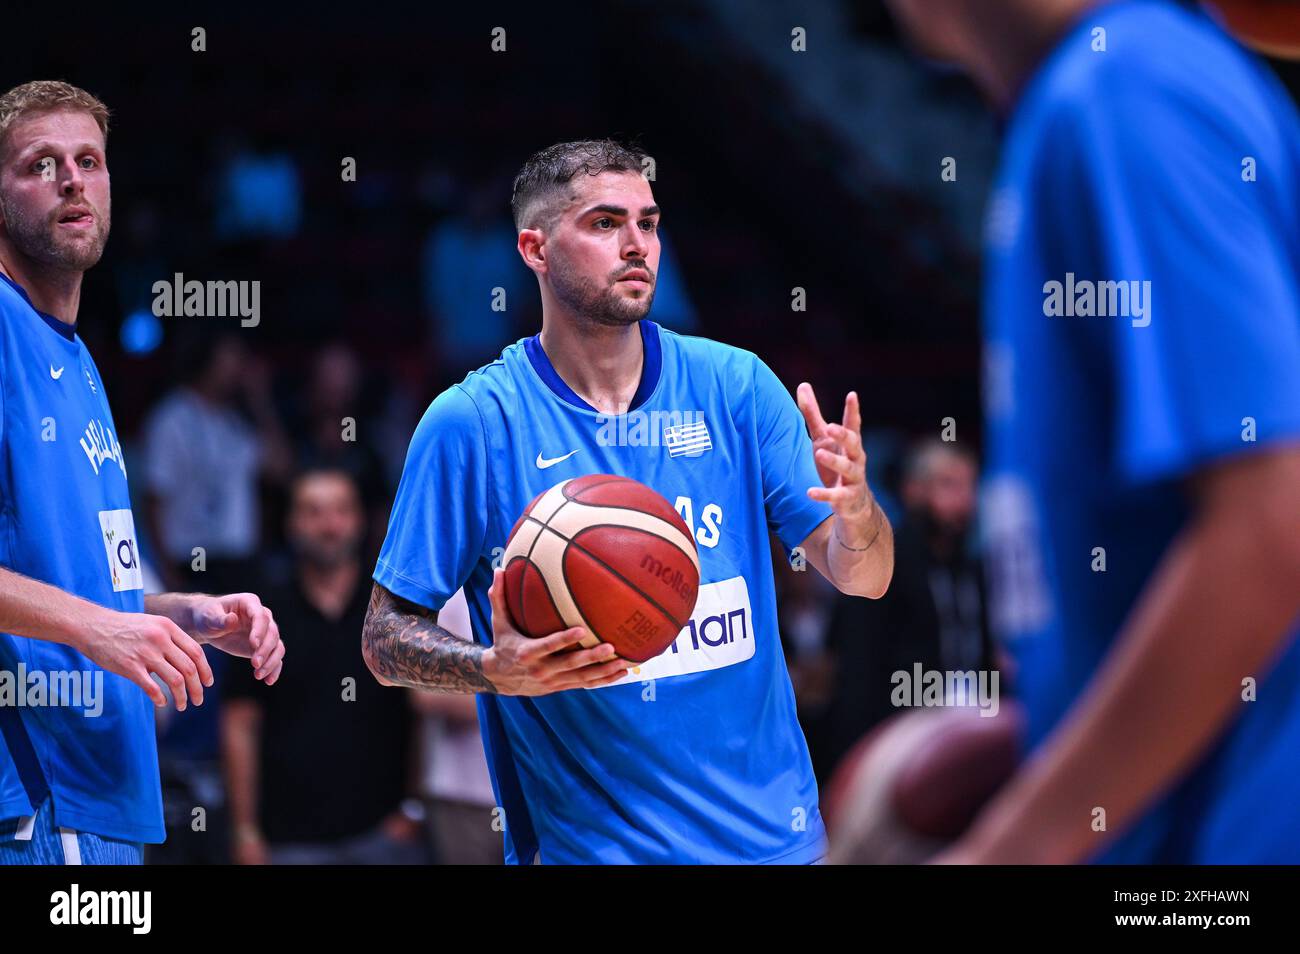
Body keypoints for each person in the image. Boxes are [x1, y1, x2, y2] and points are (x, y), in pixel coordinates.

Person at [362, 140, 896, 864]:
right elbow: (384, 639)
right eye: (606, 224)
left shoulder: (735, 386)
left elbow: (865, 577)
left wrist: (860, 513)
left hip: (776, 845)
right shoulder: (473, 423)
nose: (638, 245)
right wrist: (494, 669)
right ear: (535, 248)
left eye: (648, 222)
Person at [883, 0, 1300, 862]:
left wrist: (1014, 846)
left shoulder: (1126, 88)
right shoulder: (1089, 101)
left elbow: (1271, 531)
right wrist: (1047, 749)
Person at [0, 80, 284, 865]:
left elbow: (55, 575)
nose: (71, 179)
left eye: (88, 160)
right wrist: (102, 627)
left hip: (102, 794)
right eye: (40, 164)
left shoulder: (78, 358)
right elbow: (80, 620)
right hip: (35, 795)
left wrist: (167, 610)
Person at [222, 469, 423, 864]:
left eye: (341, 511)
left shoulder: (394, 613)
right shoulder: (262, 615)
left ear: (361, 520)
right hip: (289, 841)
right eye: (313, 513)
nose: (330, 525)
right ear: (291, 524)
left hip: (384, 833)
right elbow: (239, 724)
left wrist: (414, 808)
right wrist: (244, 830)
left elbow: (421, 713)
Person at [823, 439, 995, 773]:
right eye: (949, 485)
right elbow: (858, 670)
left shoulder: (974, 569)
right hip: (901, 737)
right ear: (914, 490)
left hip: (973, 729)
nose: (964, 500)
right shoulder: (883, 567)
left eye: (969, 486)